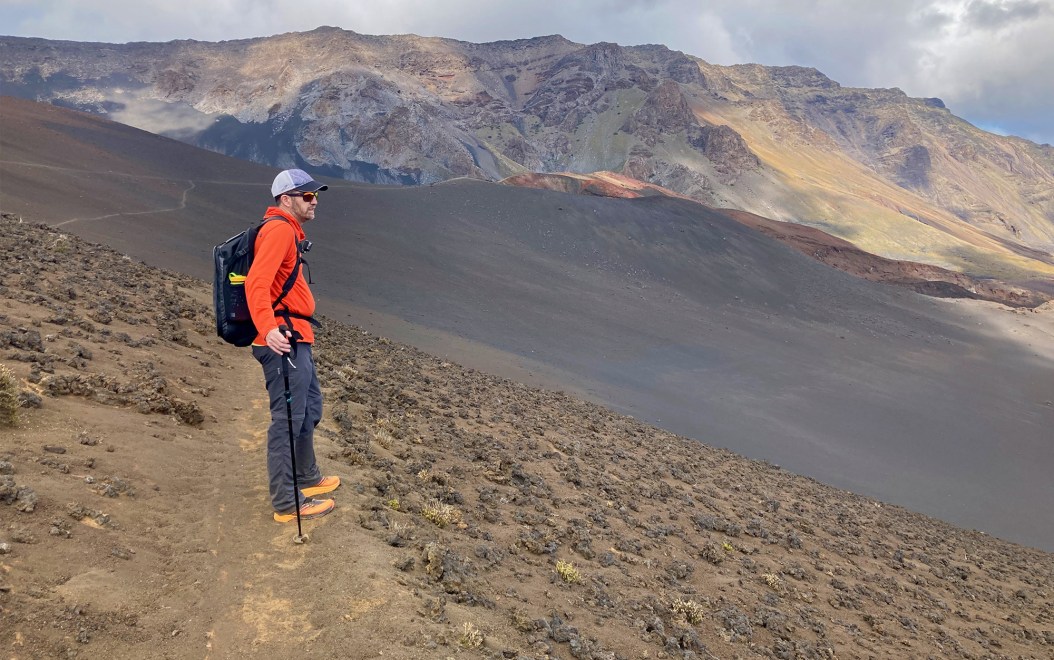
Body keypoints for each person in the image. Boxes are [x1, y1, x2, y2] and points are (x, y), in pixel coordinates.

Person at [246, 168, 339, 522]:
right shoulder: (279, 230)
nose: (314, 202)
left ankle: (307, 476)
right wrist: (268, 328)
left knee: (310, 409)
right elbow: (256, 282)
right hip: (283, 340)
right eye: (308, 196)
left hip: (297, 337)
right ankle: (287, 502)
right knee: (287, 420)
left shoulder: (290, 232)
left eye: (315, 196)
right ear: (286, 199)